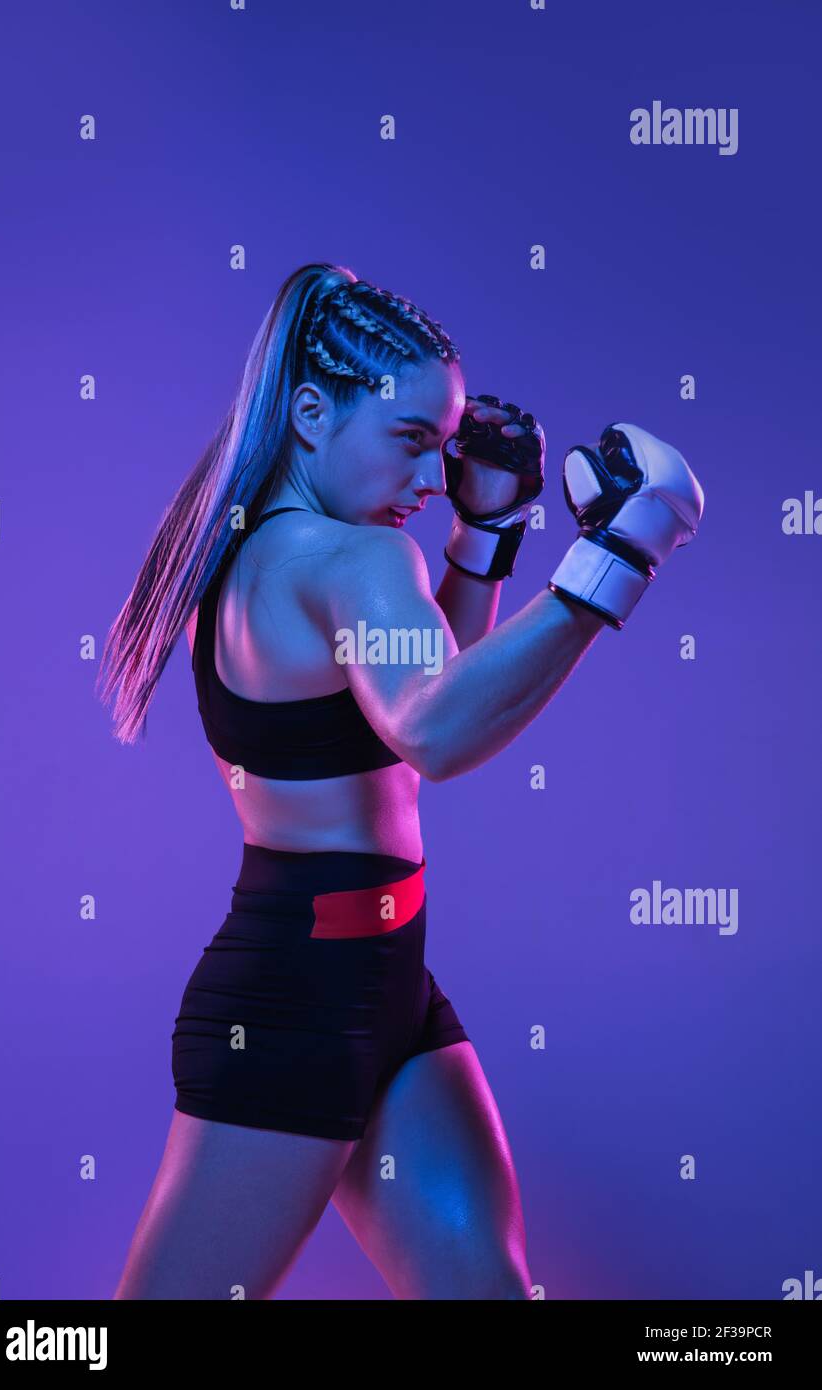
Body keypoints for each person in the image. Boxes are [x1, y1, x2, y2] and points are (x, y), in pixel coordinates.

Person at [97, 262, 703, 1300]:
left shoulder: (263, 551)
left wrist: (484, 537)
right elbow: (435, 732)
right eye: (411, 441)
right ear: (310, 411)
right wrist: (615, 555)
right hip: (297, 999)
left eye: (444, 444)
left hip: (381, 987)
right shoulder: (352, 561)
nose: (429, 476)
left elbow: (415, 705)